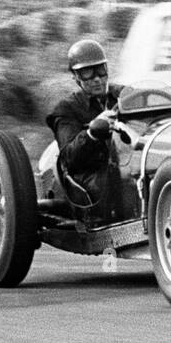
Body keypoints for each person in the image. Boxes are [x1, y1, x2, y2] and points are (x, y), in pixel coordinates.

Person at [45, 39, 125, 221]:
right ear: (76, 77)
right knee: (119, 178)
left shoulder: (123, 94)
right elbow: (69, 157)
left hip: (125, 159)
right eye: (88, 72)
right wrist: (93, 133)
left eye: (100, 70)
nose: (97, 78)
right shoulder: (65, 109)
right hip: (90, 173)